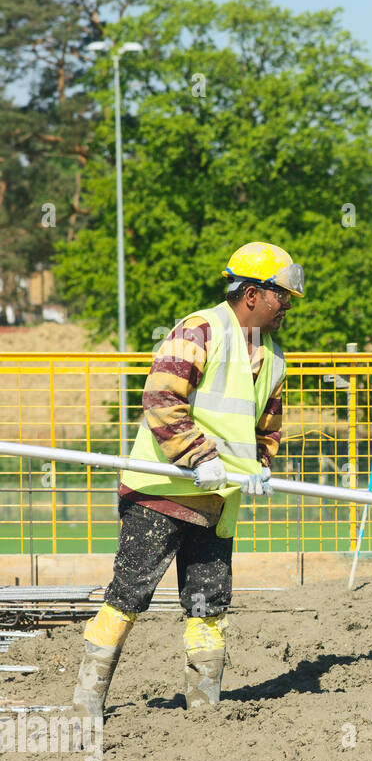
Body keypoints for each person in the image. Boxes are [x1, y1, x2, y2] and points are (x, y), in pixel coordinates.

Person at [72, 242, 303, 720]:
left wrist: (259, 465)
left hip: (219, 501)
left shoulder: (275, 358)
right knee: (129, 593)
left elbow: (268, 427)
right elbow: (161, 397)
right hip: (164, 493)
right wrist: (198, 455)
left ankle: (205, 710)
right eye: (282, 296)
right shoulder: (199, 330)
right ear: (254, 294)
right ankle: (85, 705)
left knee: (209, 604)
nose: (287, 307)